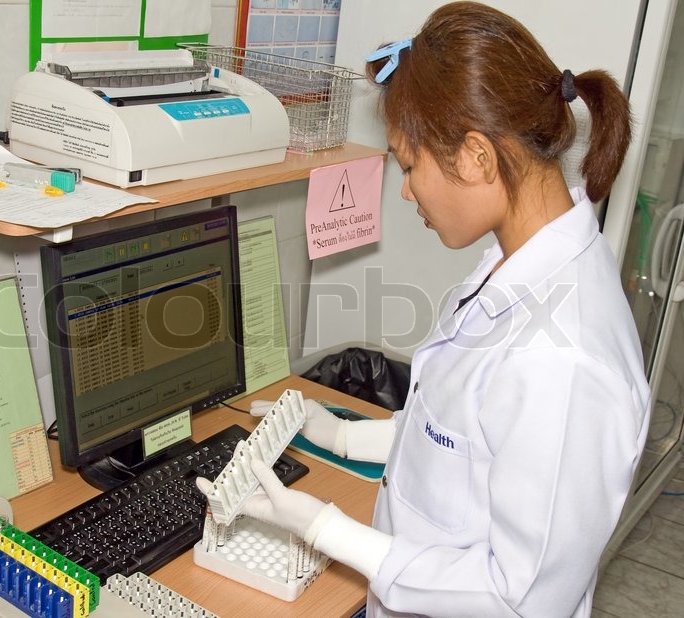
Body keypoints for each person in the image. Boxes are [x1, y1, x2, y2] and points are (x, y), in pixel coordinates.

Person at [198, 2, 651, 616]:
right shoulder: (512, 266)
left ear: (476, 156)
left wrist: (325, 528)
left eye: (410, 166)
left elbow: (519, 597)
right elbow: (458, 444)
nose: (406, 189)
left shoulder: (563, 361)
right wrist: (338, 433)